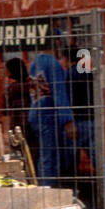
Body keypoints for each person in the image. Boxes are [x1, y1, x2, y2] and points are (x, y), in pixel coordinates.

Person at [64, 45, 105, 209]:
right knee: (101, 164)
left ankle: (71, 200)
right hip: (92, 122)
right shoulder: (93, 74)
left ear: (69, 59)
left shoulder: (69, 75)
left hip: (76, 123)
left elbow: (68, 100)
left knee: (69, 166)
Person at [28, 44, 76, 185]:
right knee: (50, 157)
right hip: (48, 115)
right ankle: (47, 191)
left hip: (36, 113)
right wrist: (68, 120)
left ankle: (45, 187)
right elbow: (59, 92)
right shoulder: (53, 63)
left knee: (45, 155)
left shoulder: (35, 62)